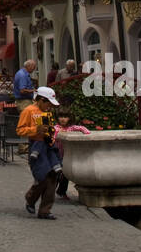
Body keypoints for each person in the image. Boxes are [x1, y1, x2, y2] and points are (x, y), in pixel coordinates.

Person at [16, 86, 61, 219]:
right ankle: (30, 198)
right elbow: (20, 130)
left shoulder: (48, 112)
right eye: (48, 103)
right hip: (36, 147)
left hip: (49, 146)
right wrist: (36, 130)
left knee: (53, 177)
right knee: (42, 176)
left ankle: (45, 210)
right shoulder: (28, 111)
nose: (49, 106)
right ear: (41, 100)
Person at [50, 106, 91, 200]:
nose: (63, 119)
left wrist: (87, 135)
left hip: (67, 156)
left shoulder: (71, 128)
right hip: (56, 155)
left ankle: (61, 191)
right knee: (55, 175)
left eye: (65, 117)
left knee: (65, 175)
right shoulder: (56, 128)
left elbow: (83, 129)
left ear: (70, 118)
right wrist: (58, 133)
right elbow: (53, 136)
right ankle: (50, 192)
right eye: (61, 117)